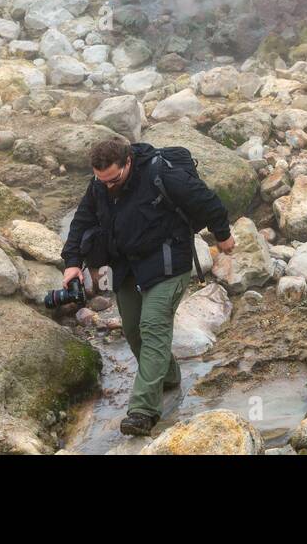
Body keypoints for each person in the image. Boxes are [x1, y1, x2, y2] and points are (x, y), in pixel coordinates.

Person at [61, 138, 234, 436]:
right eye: (101, 180)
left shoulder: (161, 174)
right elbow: (83, 218)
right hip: (126, 265)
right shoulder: (99, 183)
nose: (108, 186)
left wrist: (223, 235)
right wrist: (72, 262)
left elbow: (207, 201)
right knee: (132, 329)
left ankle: (143, 410)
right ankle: (166, 377)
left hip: (168, 261)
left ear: (128, 162)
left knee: (153, 325)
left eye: (113, 179)